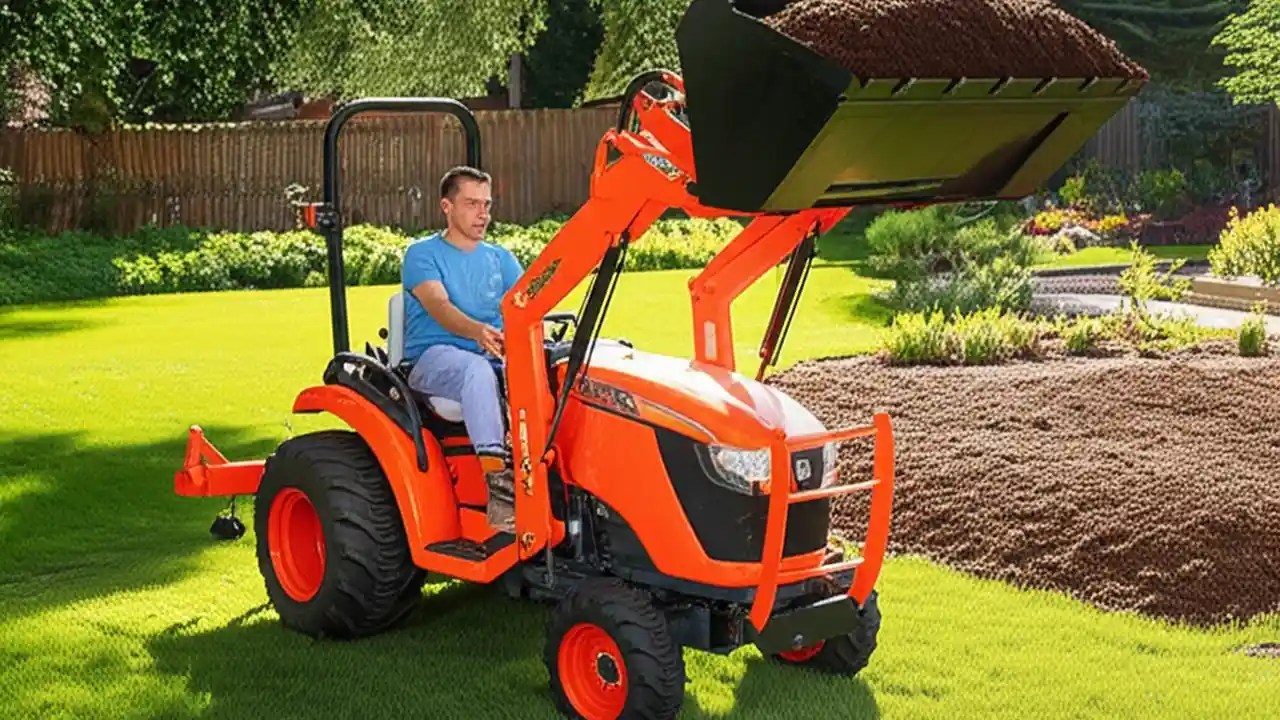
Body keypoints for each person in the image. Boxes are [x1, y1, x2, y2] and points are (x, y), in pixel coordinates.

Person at [401, 166, 523, 531]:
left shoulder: (500, 259)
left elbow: (529, 303)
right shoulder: (422, 255)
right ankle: (500, 490)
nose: (483, 213)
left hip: (491, 353)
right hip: (433, 358)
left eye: (486, 204)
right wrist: (477, 333)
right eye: (472, 203)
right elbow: (439, 306)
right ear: (446, 206)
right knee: (476, 370)